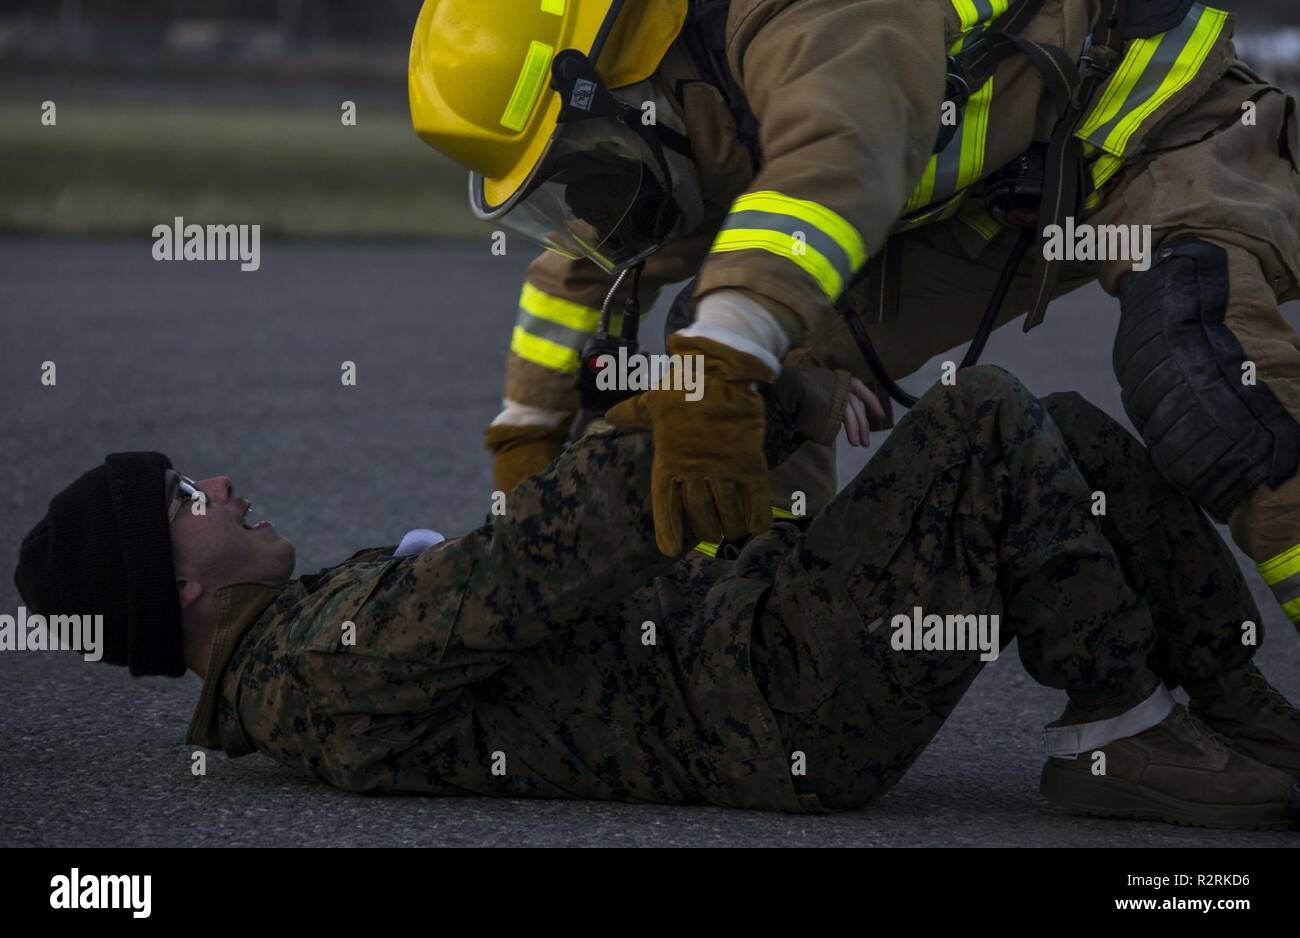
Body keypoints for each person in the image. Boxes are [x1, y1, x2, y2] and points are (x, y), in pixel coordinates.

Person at [407, 0, 1300, 635]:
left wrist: (724, 355)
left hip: (1164, 126)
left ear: (604, 84)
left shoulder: (801, 10)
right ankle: (747, 622)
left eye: (577, 162)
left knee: (1204, 375)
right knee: (772, 380)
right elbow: (579, 276)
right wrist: (526, 434)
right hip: (996, 199)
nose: (589, 197)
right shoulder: (686, 97)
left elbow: (837, 159)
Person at [15, 365, 1300, 825]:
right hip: (776, 702)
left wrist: (759, 414)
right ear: (173, 580)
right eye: (187, 492)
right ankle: (1115, 726)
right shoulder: (308, 666)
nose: (223, 481)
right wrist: (697, 407)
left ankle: (1238, 704)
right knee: (980, 419)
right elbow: (526, 567)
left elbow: (538, 574)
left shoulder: (309, 634)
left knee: (1055, 419)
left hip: (756, 638)